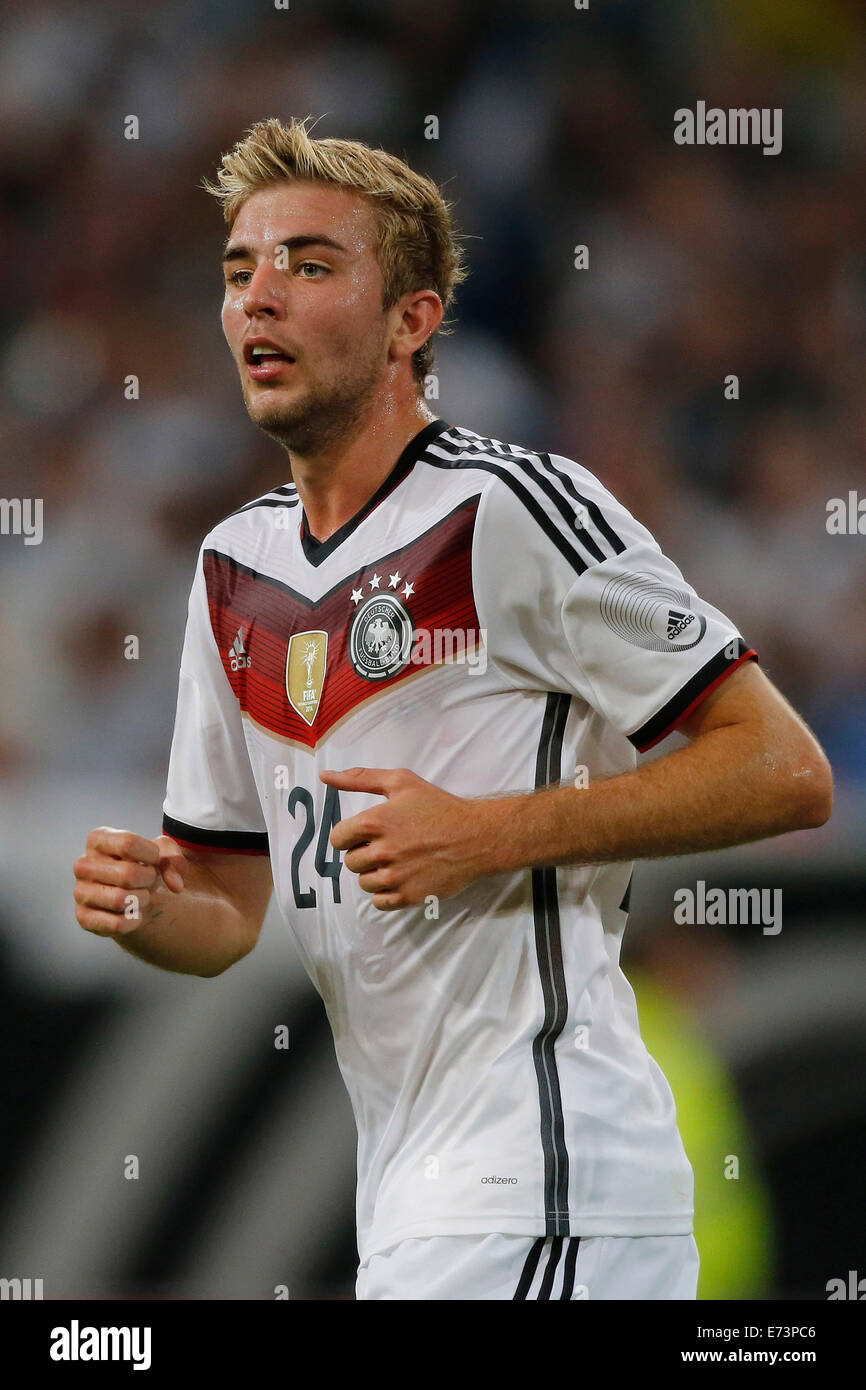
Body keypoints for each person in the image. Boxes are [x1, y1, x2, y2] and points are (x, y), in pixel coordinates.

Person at [73, 117, 833, 1301]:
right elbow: (225, 907)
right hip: (411, 1195)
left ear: (411, 322)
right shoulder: (232, 567)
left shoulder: (513, 507)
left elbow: (783, 769)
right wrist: (146, 906)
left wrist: (483, 833)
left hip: (547, 1179)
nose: (258, 298)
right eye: (239, 272)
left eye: (310, 264)